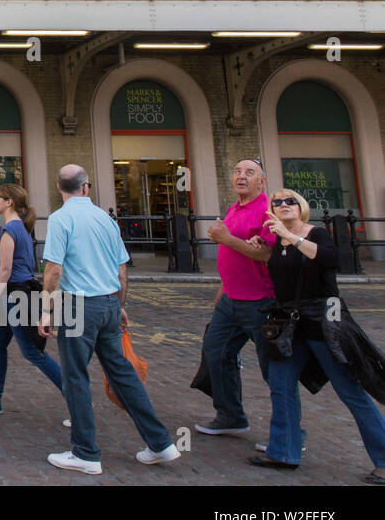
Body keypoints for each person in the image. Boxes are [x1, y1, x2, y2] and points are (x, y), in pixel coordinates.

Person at [41, 164, 181, 474]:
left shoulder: (60, 219)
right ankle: (161, 443)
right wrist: (119, 305)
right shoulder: (106, 218)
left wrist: (47, 309)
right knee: (122, 374)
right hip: (107, 303)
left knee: (75, 377)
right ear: (86, 187)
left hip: (76, 305)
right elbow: (121, 270)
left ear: (59, 188)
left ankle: (86, 453)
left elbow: (53, 270)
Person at [248, 189, 385, 482]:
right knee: (280, 386)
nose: (283, 205)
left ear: (302, 207)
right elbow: (283, 274)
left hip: (323, 324)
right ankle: (284, 451)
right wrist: (263, 245)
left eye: (290, 201)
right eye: (277, 202)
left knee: (350, 391)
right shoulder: (279, 240)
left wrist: (291, 236)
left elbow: (330, 260)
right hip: (289, 326)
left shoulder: (316, 234)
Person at [195, 158, 278, 437]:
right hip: (231, 300)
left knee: (275, 370)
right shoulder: (233, 208)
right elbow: (231, 255)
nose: (241, 176)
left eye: (249, 173)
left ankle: (287, 433)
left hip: (261, 302)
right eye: (238, 171)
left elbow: (267, 254)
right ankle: (230, 415)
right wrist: (221, 294)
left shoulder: (269, 211)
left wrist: (226, 238)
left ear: (262, 181)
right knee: (215, 352)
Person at [0, 184, 63, 414]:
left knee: (33, 352)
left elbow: (6, 269)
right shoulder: (17, 228)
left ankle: (78, 397)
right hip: (14, 295)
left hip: (16, 297)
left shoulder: (11, 231)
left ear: (9, 202)